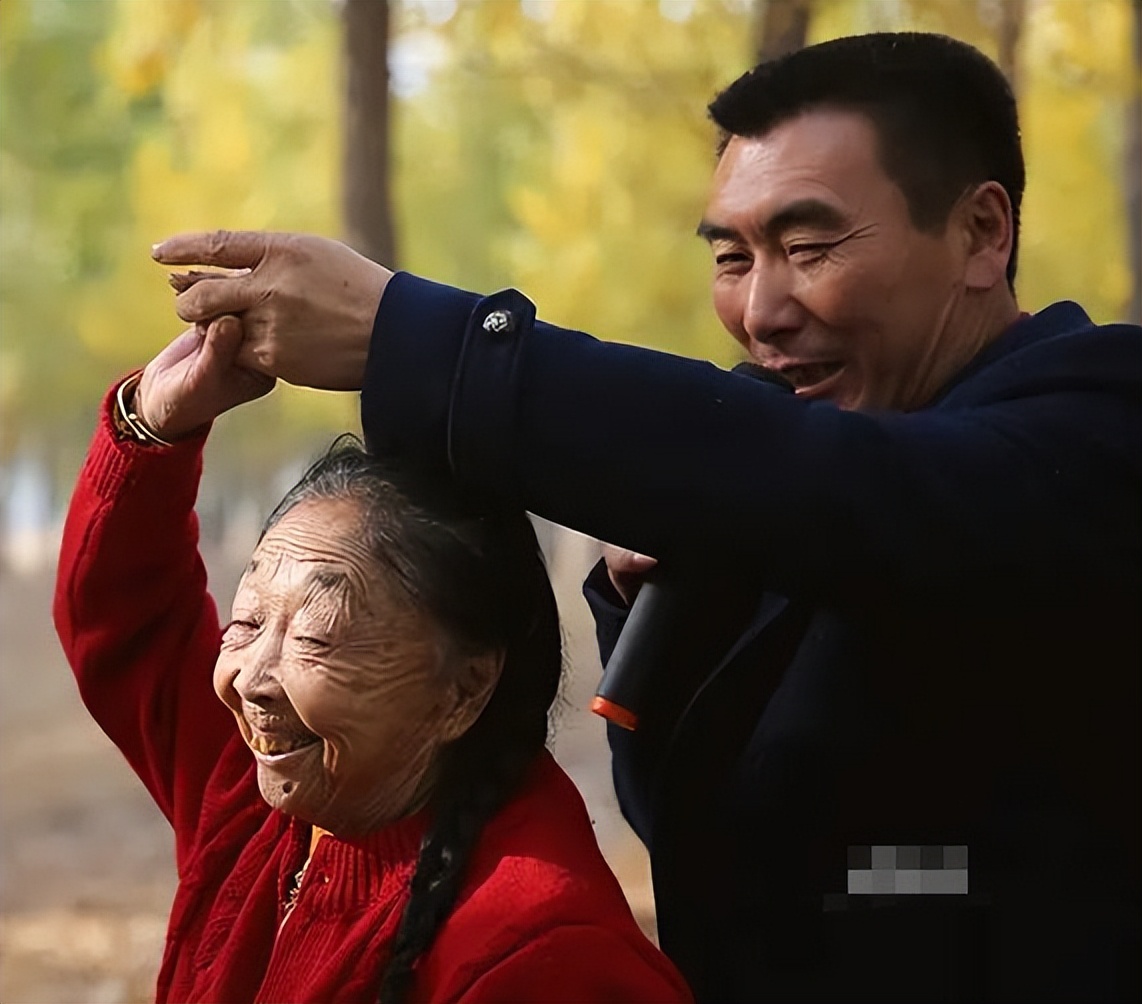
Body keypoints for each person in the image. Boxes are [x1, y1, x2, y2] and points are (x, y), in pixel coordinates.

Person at [150, 32, 1140, 1002]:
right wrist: (648, 611)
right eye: (730, 256)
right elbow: (715, 828)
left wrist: (414, 339)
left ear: (981, 232)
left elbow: (875, 500)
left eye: (805, 246)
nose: (760, 310)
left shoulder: (1095, 419)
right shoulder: (799, 479)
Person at [52, 315, 693, 1004]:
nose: (251, 679)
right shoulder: (262, 800)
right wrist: (153, 421)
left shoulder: (543, 955)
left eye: (315, 639)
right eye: (247, 622)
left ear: (464, 689)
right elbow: (128, 619)